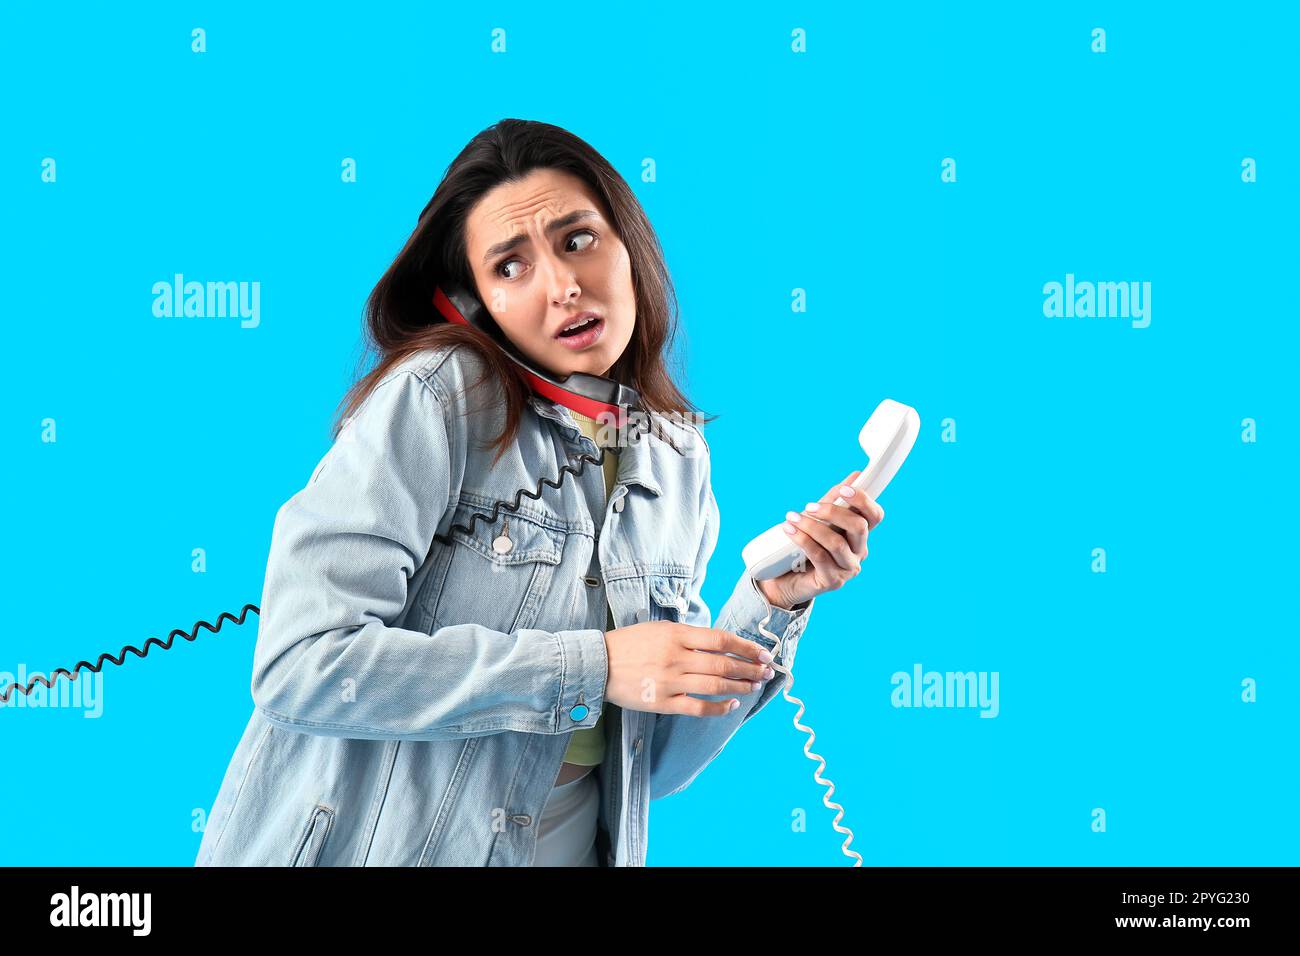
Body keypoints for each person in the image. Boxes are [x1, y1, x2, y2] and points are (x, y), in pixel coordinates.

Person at [194, 118, 884, 867]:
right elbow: (302, 664)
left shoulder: (676, 456)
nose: (563, 285)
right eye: (511, 267)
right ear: (471, 300)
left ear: (629, 245)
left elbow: (652, 768)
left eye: (578, 239)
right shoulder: (437, 401)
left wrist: (771, 603)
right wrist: (594, 665)